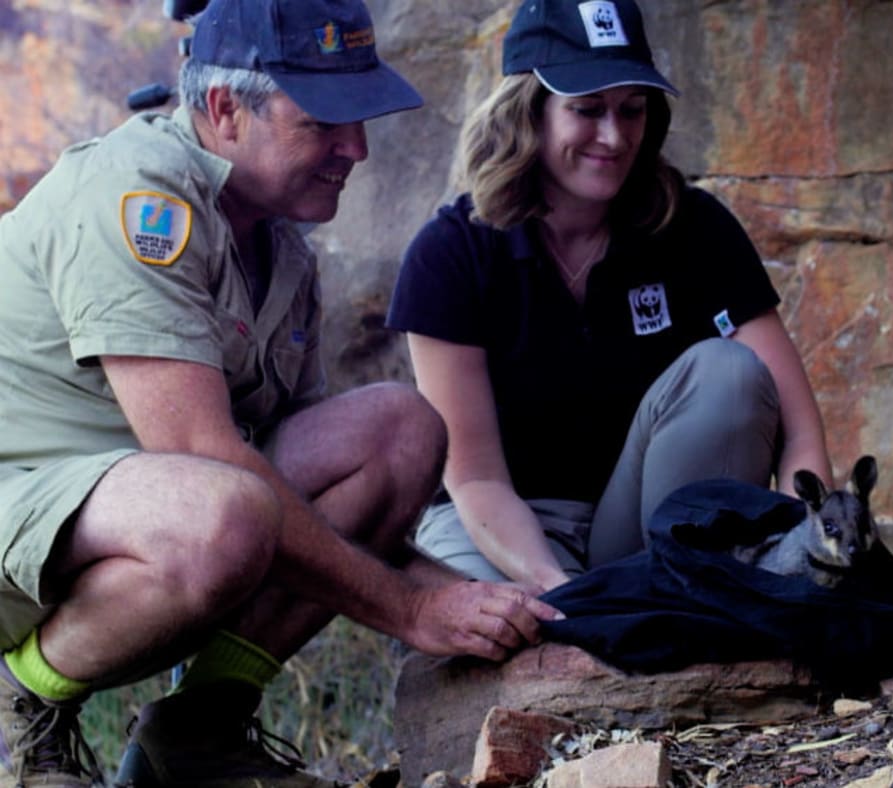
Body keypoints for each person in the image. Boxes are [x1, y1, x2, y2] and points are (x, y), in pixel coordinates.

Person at [0, 0, 561, 784]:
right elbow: (202, 459)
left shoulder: (279, 246)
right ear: (225, 109)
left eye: (358, 118)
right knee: (224, 510)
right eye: (323, 122)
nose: (356, 148)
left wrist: (498, 603)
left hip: (138, 526)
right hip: (23, 525)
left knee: (398, 431)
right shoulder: (136, 195)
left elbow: (322, 517)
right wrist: (411, 611)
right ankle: (21, 709)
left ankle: (196, 732)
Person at [387, 0, 834, 592]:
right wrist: (564, 598)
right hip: (493, 524)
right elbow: (476, 481)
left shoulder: (694, 227)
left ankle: (693, 594)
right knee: (512, 631)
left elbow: (799, 430)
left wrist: (817, 555)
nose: (614, 135)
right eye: (587, 108)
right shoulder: (451, 253)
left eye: (632, 109)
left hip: (639, 526)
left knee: (729, 370)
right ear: (530, 112)